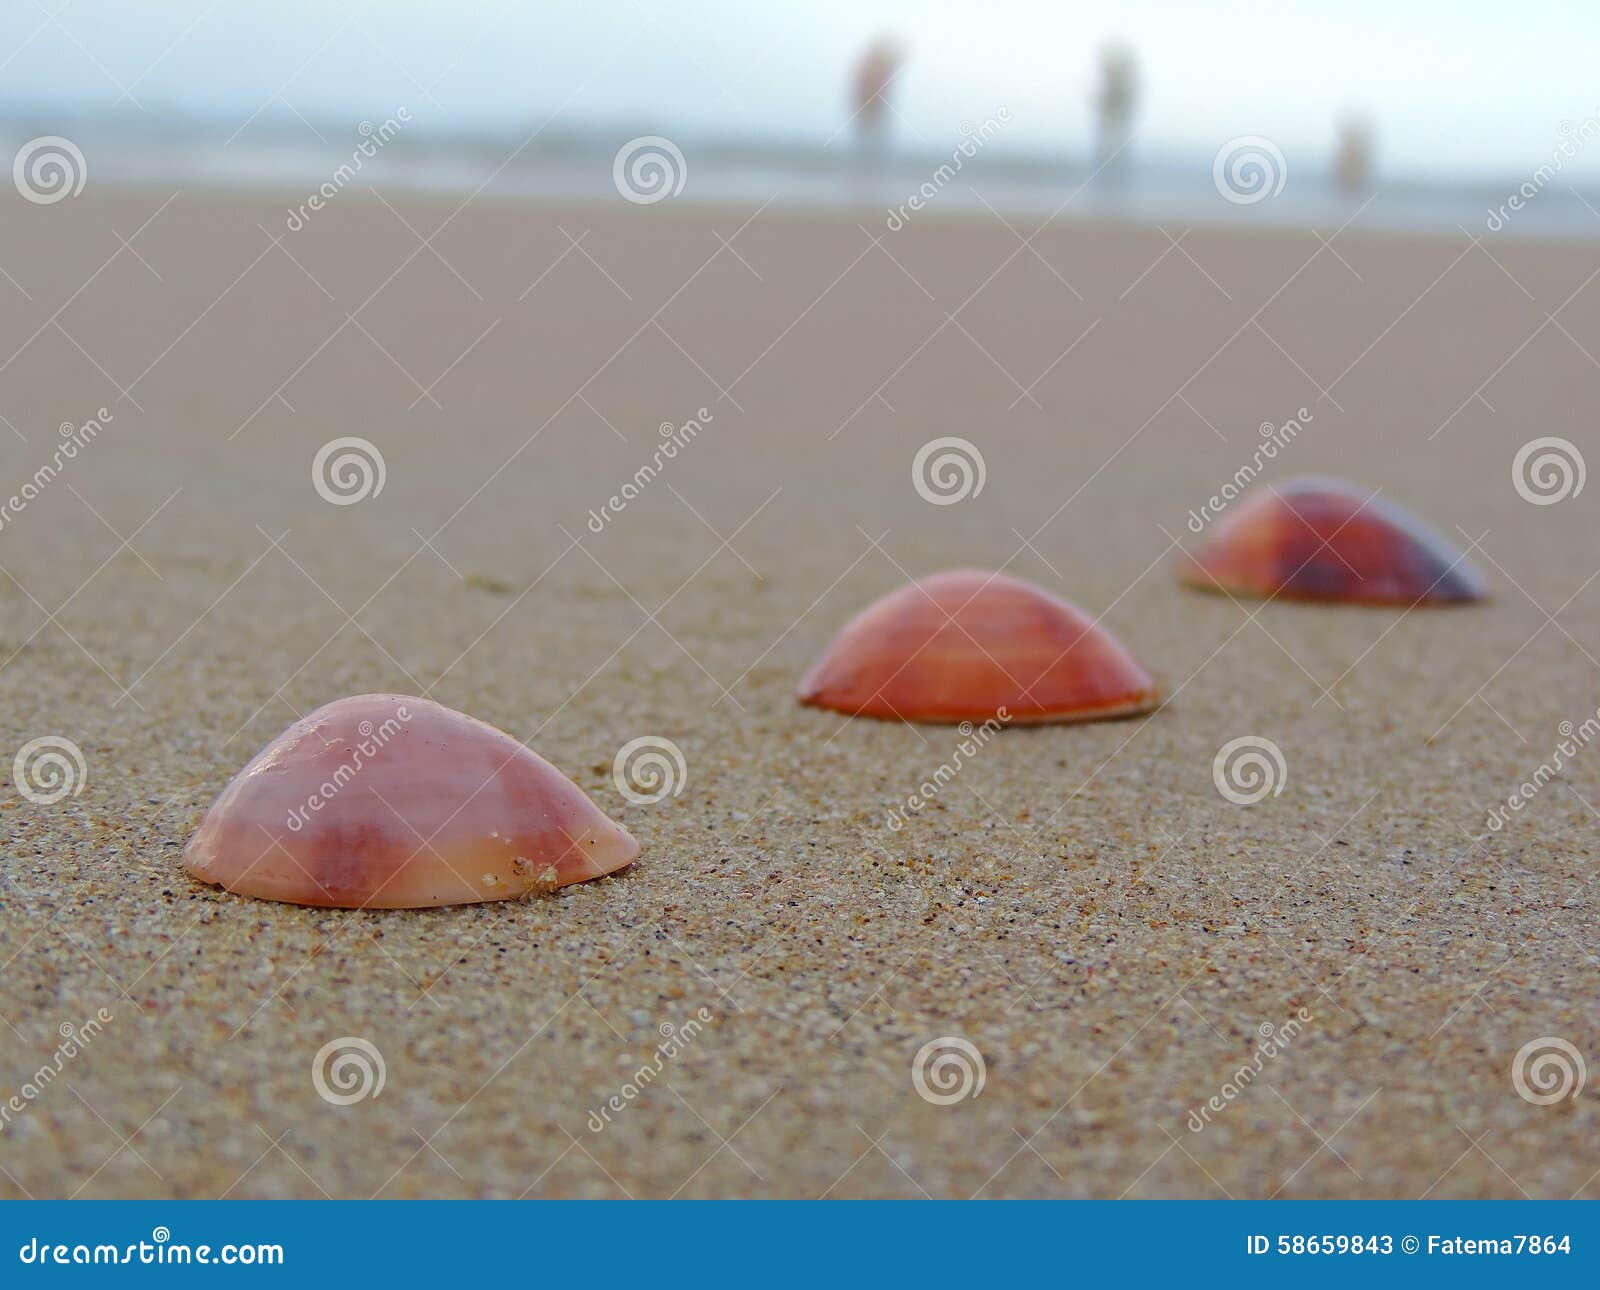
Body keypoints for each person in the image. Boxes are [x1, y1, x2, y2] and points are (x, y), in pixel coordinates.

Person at [852, 38, 901, 158]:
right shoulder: (870, 67)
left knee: (875, 138)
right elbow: (863, 89)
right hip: (868, 110)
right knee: (867, 137)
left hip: (875, 110)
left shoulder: (878, 68)